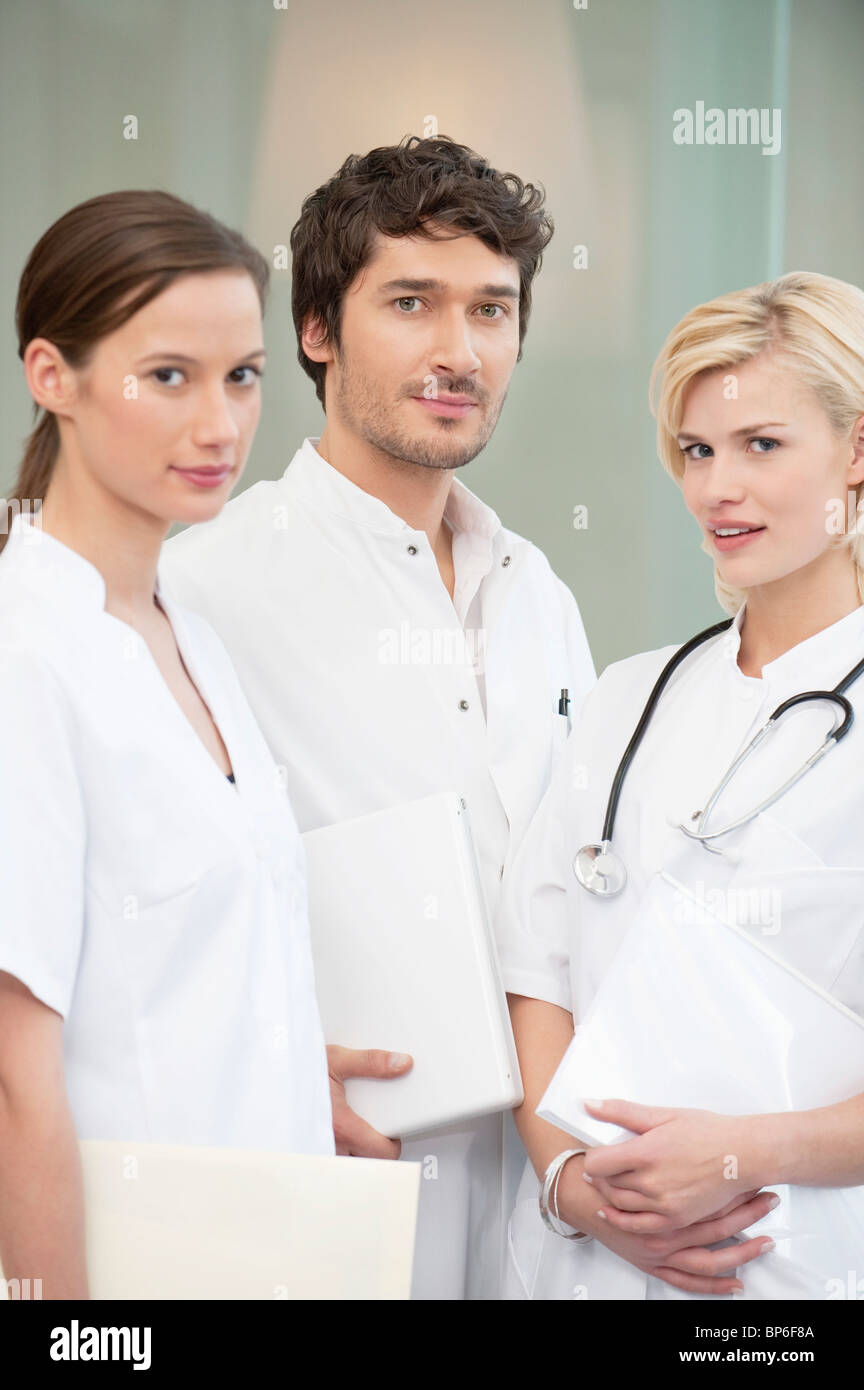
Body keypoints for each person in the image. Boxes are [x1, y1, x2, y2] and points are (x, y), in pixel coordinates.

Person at [159, 134, 596, 1300]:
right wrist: (264, 1062)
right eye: (412, 302)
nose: (460, 352)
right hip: (322, 1191)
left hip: (551, 1212)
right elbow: (125, 923)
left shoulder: (540, 596)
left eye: (492, 311)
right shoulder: (202, 590)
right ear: (316, 328)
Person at [497, 269, 864, 1300]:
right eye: (698, 451)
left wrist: (745, 1152)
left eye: (762, 446)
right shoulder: (626, 698)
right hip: (585, 1264)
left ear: (858, 451)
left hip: (790, 1273)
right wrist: (571, 1185)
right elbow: (539, 969)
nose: (716, 489)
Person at [0, 191, 334, 1301]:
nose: (221, 425)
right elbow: (12, 1076)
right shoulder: (24, 653)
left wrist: (284, 1066)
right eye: (167, 376)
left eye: (242, 375)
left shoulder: (189, 631)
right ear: (53, 376)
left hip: (266, 1253)